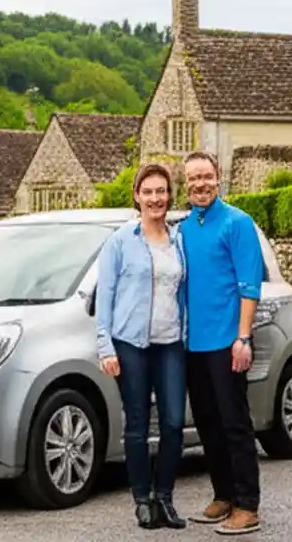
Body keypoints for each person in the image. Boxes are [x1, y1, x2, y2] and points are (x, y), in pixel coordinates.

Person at [95, 162, 189, 530]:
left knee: (173, 424)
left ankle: (164, 497)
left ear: (169, 195)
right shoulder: (120, 241)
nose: (155, 198)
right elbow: (106, 295)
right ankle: (142, 500)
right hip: (130, 343)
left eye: (161, 191)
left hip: (170, 343)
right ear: (136, 196)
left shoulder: (179, 240)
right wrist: (105, 346)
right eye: (148, 192)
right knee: (137, 424)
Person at [179, 151, 265, 536]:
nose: (200, 184)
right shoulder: (184, 229)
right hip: (193, 344)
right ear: (186, 185)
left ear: (218, 178)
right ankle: (223, 495)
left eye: (206, 176)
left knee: (235, 425)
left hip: (228, 342)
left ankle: (247, 505)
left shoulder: (238, 223)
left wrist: (243, 338)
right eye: (193, 178)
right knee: (209, 424)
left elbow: (249, 286)